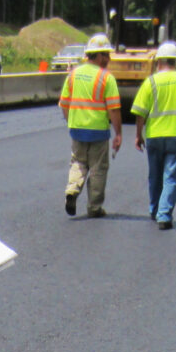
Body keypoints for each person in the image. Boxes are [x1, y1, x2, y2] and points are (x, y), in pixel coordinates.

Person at [131, 41, 176, 230]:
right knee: (171, 177)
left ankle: (154, 210)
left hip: (154, 136)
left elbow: (139, 113)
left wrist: (138, 135)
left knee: (155, 175)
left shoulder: (151, 82)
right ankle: (164, 214)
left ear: (158, 61)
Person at [59, 34, 122, 218]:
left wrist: (71, 122)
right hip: (98, 132)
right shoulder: (106, 78)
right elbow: (114, 110)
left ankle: (72, 190)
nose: (109, 59)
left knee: (78, 162)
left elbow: (64, 103)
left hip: (77, 129)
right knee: (97, 168)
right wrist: (118, 133)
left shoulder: (73, 74)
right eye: (107, 55)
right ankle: (94, 207)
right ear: (99, 55)